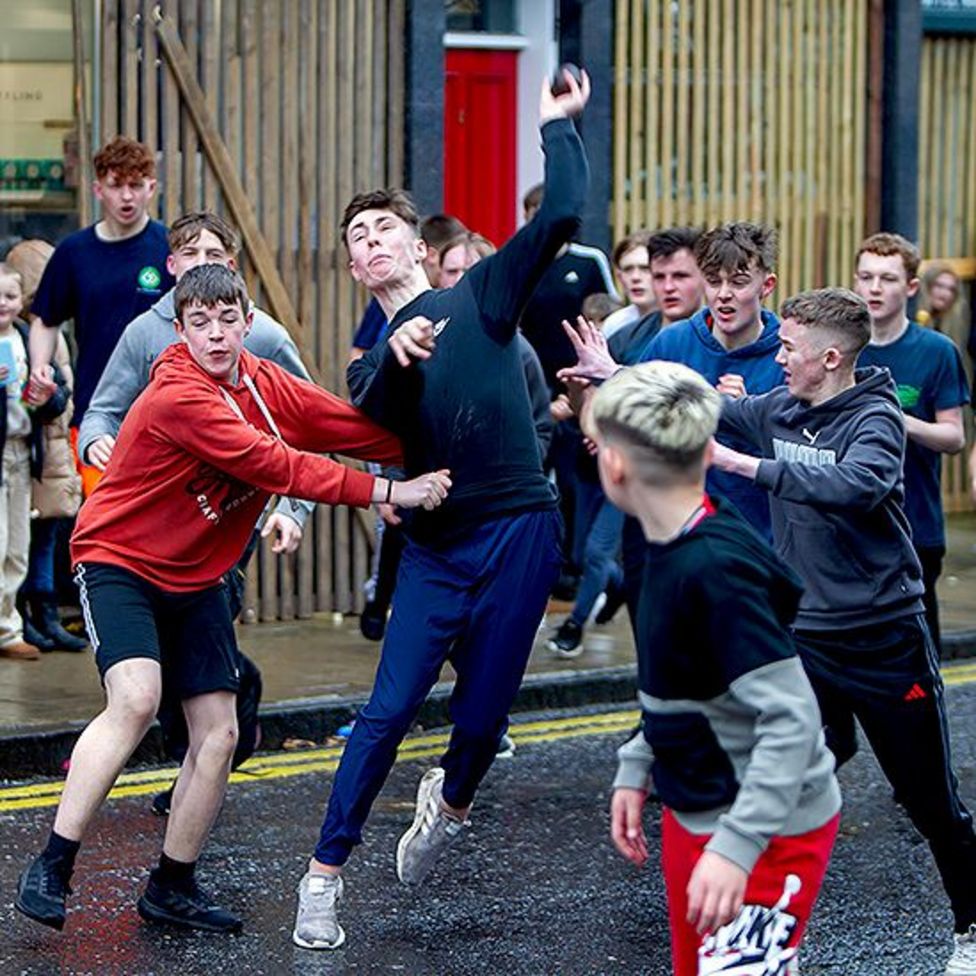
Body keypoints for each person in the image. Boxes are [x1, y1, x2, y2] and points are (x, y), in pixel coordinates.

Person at [15, 264, 450, 935]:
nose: (216, 335)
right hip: (119, 562)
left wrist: (440, 443)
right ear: (181, 328)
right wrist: (395, 492)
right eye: (199, 322)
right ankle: (52, 863)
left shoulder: (264, 381)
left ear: (248, 323)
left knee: (218, 734)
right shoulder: (177, 396)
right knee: (136, 699)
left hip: (195, 576)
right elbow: (280, 466)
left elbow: (340, 425)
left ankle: (172, 885)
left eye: (227, 320)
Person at [291, 69, 591, 951]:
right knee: (386, 712)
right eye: (359, 235)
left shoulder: (481, 296)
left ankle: (449, 803)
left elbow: (564, 215)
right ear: (355, 267)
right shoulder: (365, 365)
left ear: (419, 249)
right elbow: (375, 422)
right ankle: (324, 875)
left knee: (486, 716)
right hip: (435, 547)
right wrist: (399, 353)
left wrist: (554, 125)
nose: (372, 238)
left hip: (522, 528)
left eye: (386, 226)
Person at [711, 287, 976, 975]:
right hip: (807, 638)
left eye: (789, 349)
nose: (778, 357)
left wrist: (746, 465)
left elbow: (856, 484)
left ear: (829, 358)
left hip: (884, 638)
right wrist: (615, 377)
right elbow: (712, 409)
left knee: (929, 803)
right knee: (779, 782)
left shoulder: (878, 418)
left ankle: (971, 926)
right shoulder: (780, 407)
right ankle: (767, 942)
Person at [595, 360, 839, 976]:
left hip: (768, 826)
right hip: (703, 807)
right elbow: (689, 684)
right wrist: (640, 761)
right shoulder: (665, 541)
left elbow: (792, 721)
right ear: (707, 451)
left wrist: (737, 848)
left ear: (615, 465)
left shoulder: (714, 570)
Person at [77, 210, 314, 553]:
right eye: (190, 253)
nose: (201, 263)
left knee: (214, 603)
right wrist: (96, 438)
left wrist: (294, 510)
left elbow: (308, 424)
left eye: (213, 254)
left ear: (230, 265)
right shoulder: (143, 333)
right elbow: (101, 412)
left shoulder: (265, 336)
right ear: (171, 264)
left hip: (234, 508)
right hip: (155, 507)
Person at [548, 225, 707, 656]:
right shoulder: (629, 334)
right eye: (660, 276)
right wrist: (582, 389)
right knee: (647, 619)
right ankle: (653, 718)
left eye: (680, 276)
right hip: (632, 495)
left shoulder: (714, 335)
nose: (666, 286)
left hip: (701, 509)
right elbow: (591, 411)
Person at [26, 137, 174, 493]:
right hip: (97, 415)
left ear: (151, 188)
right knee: (106, 522)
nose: (127, 196)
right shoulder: (74, 253)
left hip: (164, 416)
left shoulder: (170, 248)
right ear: (97, 189)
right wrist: (39, 369)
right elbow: (45, 320)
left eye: (136, 186)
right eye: (116, 185)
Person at [854, 233, 968, 655]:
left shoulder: (936, 351)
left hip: (913, 525)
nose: (875, 288)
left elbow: (953, 436)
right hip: (849, 526)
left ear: (911, 287)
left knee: (916, 658)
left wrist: (897, 422)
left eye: (887, 278)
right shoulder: (842, 347)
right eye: (866, 277)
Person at [5, 239, 86, 653]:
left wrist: (53, 396)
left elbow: (58, 390)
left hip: (50, 447)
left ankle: (43, 617)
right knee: (18, 537)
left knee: (43, 535)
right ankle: (21, 619)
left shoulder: (48, 331)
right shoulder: (24, 335)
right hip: (34, 446)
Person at [0, 263, 69, 660]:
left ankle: (8, 628)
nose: (3, 304)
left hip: (24, 450)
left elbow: (56, 396)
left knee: (18, 547)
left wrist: (44, 397)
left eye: (10, 296)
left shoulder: (30, 339)